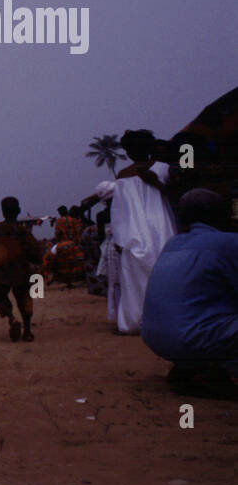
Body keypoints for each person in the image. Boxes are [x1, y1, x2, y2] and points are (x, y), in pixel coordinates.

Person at [141, 189, 238, 395]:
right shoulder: (228, 242)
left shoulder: (172, 244)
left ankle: (193, 366)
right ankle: (220, 371)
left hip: (157, 339)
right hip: (193, 339)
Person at [109, 130, 176, 334]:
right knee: (168, 279)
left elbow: (120, 214)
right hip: (164, 229)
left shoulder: (123, 176)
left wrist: (120, 242)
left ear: (128, 152)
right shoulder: (164, 169)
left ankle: (138, 321)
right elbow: (177, 195)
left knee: (136, 283)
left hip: (134, 234)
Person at [0, 197, 44, 341]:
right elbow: (35, 251)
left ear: (2, 212)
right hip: (21, 272)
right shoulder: (22, 230)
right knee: (24, 299)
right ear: (19, 211)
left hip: (0, 273)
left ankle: (11, 318)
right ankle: (27, 331)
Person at [43, 205, 85, 288]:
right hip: (75, 245)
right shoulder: (76, 221)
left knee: (49, 259)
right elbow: (80, 233)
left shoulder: (59, 221)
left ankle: (48, 278)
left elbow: (57, 234)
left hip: (63, 245)